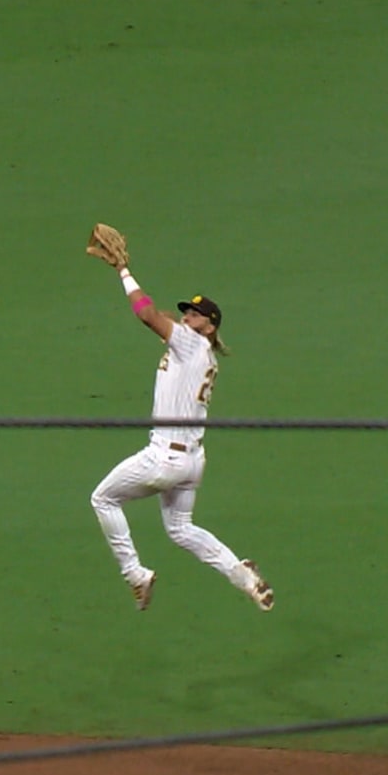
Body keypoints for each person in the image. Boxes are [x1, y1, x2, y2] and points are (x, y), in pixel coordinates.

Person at [88, 259, 274, 613]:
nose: (187, 317)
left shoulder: (191, 343)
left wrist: (124, 272)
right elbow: (159, 317)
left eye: (195, 314)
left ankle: (134, 573)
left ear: (209, 326)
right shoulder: (200, 354)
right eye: (186, 312)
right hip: (192, 461)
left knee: (103, 499)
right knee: (180, 528)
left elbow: (146, 314)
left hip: (164, 458)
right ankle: (241, 573)